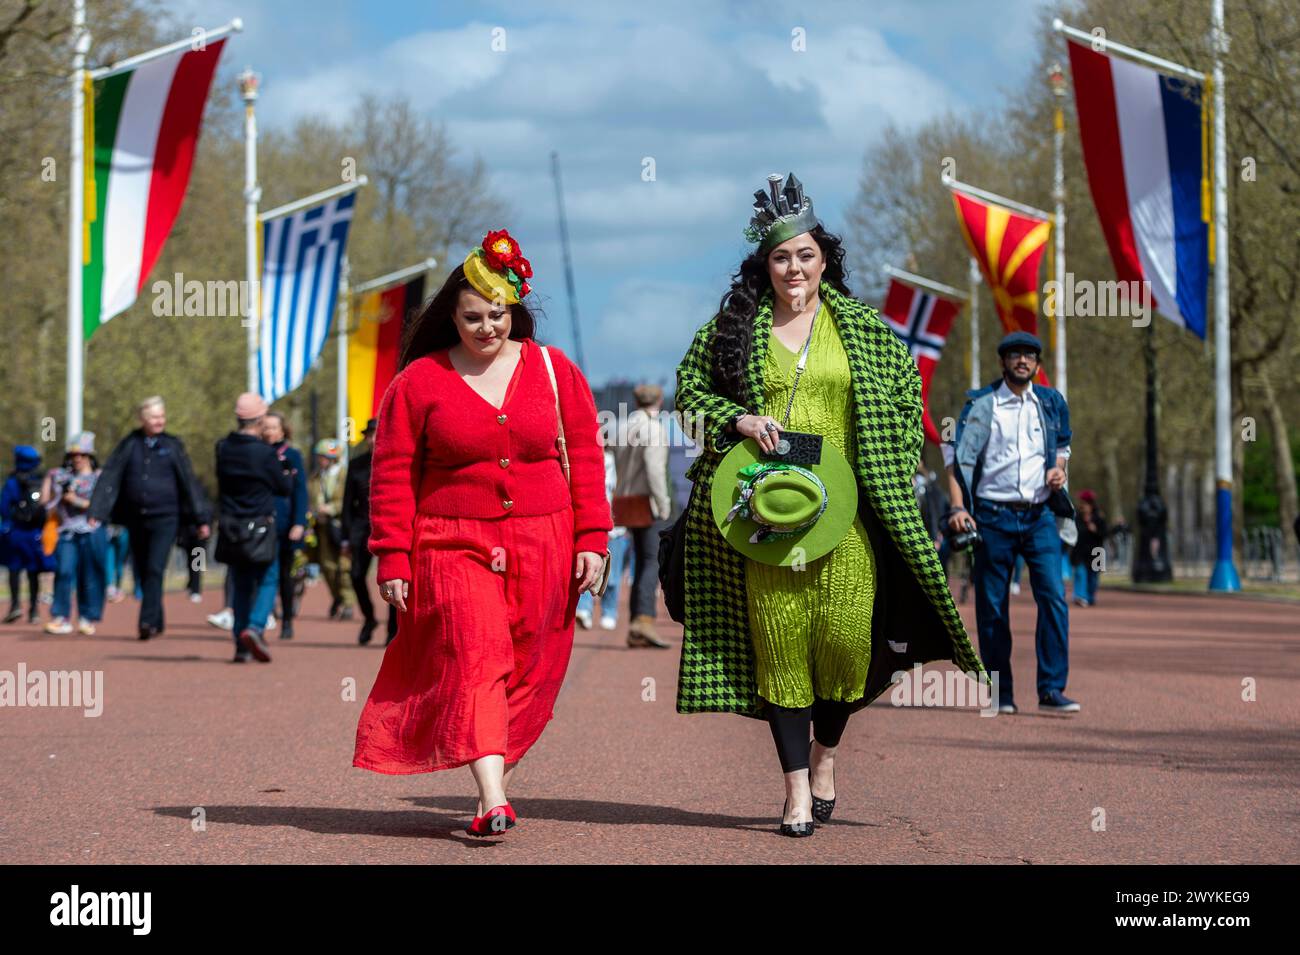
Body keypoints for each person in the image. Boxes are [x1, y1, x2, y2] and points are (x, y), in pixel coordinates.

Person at [673, 173, 985, 836]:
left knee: (845, 645)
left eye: (805, 255)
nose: (793, 268)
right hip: (765, 518)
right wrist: (737, 421)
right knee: (782, 647)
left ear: (825, 260)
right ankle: (793, 793)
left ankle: (826, 755)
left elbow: (907, 400)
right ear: (766, 262)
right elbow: (689, 398)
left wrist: (894, 465)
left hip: (845, 516)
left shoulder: (865, 329)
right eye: (781, 256)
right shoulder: (730, 330)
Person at [353, 229, 611, 836]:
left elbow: (585, 455)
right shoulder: (418, 382)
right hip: (450, 542)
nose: (487, 328)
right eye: (473, 317)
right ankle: (491, 797)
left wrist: (592, 540)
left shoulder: (553, 370)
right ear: (453, 315)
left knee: (530, 665)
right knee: (477, 656)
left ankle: (491, 768)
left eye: (498, 315)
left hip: (546, 538)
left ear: (514, 310)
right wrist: (392, 557)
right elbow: (390, 472)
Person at [943, 330, 1079, 716]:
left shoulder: (1051, 404)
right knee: (992, 606)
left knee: (1053, 596)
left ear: (1038, 364)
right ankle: (1001, 693)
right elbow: (955, 461)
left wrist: (1058, 470)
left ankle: (1052, 689)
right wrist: (957, 508)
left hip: (1039, 516)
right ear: (1003, 362)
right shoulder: (980, 405)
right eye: (1015, 354)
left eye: (1029, 355)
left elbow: (1063, 449)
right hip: (992, 517)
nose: (1022, 360)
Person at [88, 396, 211, 639]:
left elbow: (189, 483)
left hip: (166, 517)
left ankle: (146, 621)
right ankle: (157, 618)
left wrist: (201, 518)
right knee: (143, 569)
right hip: (136, 518)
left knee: (155, 567)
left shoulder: (173, 445)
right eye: (154, 417)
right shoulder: (129, 444)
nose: (160, 421)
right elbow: (110, 476)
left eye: (162, 416)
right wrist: (97, 510)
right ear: (142, 419)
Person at [215, 393, 292, 663]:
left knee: (241, 584)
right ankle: (256, 626)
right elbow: (284, 488)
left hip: (231, 525)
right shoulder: (264, 453)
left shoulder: (223, 448)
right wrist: (286, 473)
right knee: (269, 578)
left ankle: (240, 644)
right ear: (259, 420)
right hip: (259, 524)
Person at [611, 383, 672, 648]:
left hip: (626, 500)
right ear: (658, 401)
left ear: (636, 401)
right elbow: (655, 470)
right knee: (651, 562)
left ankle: (636, 624)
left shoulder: (620, 428)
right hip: (647, 501)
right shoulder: (655, 429)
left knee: (639, 559)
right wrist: (664, 503)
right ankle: (644, 621)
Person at [41, 433, 108, 635]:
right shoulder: (61, 476)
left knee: (89, 575)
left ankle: (86, 618)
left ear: (90, 455)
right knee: (64, 571)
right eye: (73, 454)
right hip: (67, 532)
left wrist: (75, 500)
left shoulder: (99, 477)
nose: (77, 458)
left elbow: (101, 505)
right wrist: (49, 481)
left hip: (92, 531)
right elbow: (45, 502)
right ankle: (60, 617)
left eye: (82, 454)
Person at [342, 417, 398, 646]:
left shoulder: (396, 461)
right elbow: (347, 503)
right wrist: (345, 537)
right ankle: (369, 618)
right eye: (370, 435)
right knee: (356, 575)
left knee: (393, 577)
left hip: (390, 527)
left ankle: (393, 630)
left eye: (378, 434)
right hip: (361, 528)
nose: (373, 439)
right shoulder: (356, 465)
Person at [575, 436, 632, 632]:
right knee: (586, 570)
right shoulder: (583, 460)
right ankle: (585, 610)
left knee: (611, 573)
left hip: (613, 525)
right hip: (593, 522)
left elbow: (622, 489)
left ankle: (608, 612)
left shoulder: (616, 461)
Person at [262, 411, 307, 639]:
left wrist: (299, 522)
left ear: (282, 430)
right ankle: (262, 616)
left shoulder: (292, 455)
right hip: (261, 524)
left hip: (285, 524)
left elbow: (300, 491)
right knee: (261, 571)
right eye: (265, 427)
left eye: (273, 427)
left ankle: (287, 619)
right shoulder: (257, 453)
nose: (269, 431)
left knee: (284, 574)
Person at [3, 445, 55, 624]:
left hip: (16, 531)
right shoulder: (41, 479)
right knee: (34, 572)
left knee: (14, 569)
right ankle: (34, 610)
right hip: (35, 532)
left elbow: (4, 506)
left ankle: (15, 605)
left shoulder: (12, 481)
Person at [309, 439, 352, 621]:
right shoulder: (315, 478)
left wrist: (333, 508)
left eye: (325, 457)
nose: (321, 460)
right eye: (320, 457)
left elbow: (351, 500)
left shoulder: (345, 476)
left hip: (343, 527)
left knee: (344, 567)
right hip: (323, 528)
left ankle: (348, 603)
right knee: (327, 566)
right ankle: (337, 598)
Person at [1071, 489, 1107, 607]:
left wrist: (1095, 530)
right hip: (1080, 551)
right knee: (1080, 573)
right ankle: (1080, 596)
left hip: (1097, 551)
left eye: (1085, 504)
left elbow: (1105, 534)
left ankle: (1090, 597)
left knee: (1093, 578)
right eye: (1082, 504)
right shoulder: (1077, 517)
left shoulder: (1099, 518)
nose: (1083, 507)